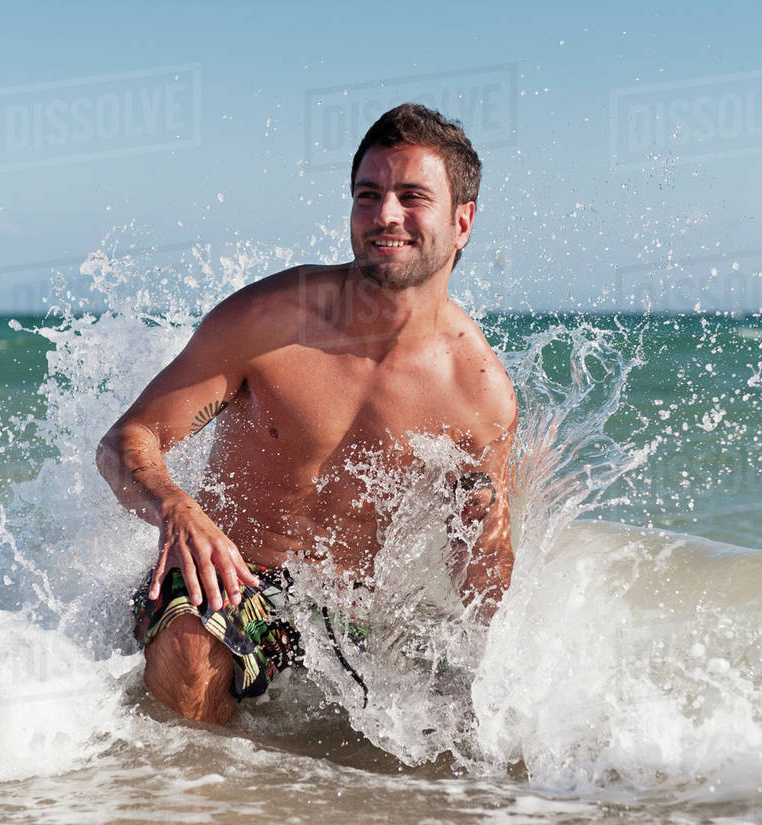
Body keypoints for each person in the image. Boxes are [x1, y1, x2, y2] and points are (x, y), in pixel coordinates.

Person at [96, 103, 518, 724]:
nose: (385, 216)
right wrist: (175, 509)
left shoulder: (477, 393)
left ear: (462, 222)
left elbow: (482, 586)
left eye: (411, 196)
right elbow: (125, 441)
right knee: (190, 642)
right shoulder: (270, 321)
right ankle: (201, 801)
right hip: (233, 583)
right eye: (368, 195)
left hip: (352, 620)